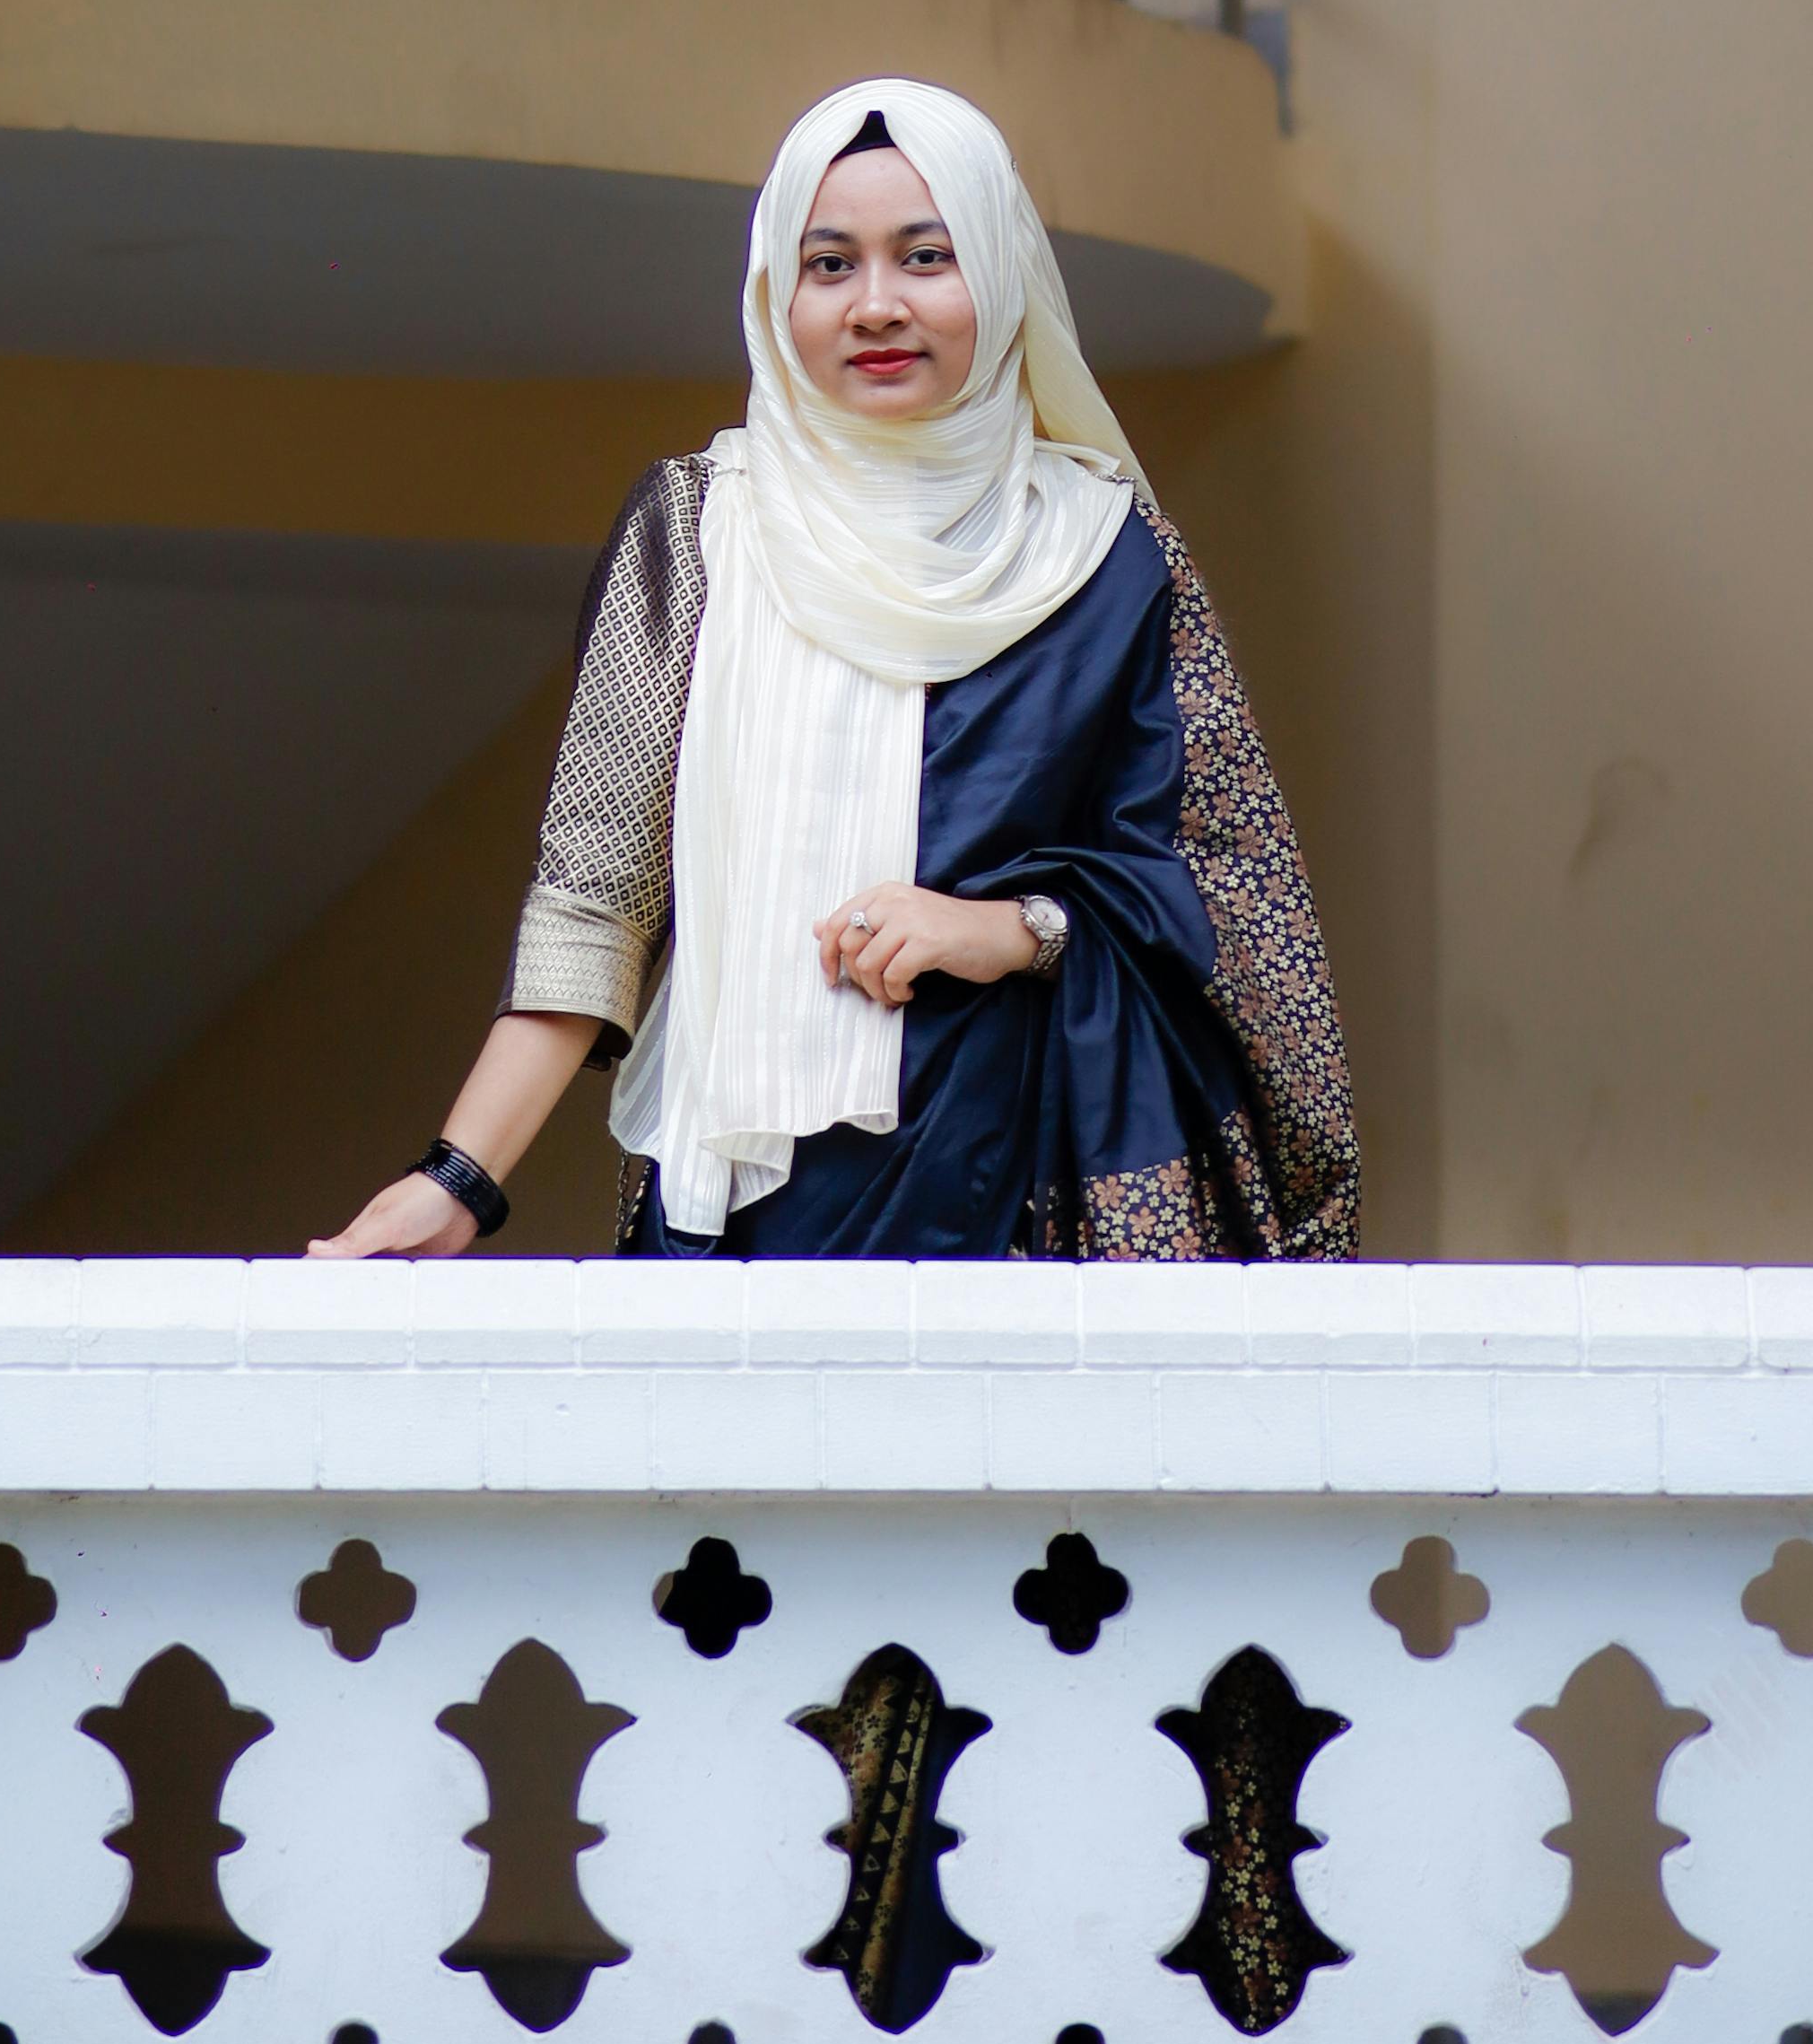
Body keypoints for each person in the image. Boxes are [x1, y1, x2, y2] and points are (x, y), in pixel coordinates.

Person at [314, 76, 1355, 1264]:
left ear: (1001, 271)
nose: (876, 305)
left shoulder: (1109, 557)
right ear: (777, 292)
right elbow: (596, 901)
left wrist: (1011, 929)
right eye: (829, 264)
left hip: (1030, 1198)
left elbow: (1233, 890)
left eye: (927, 256)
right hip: (734, 1213)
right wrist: (457, 1180)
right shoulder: (699, 530)